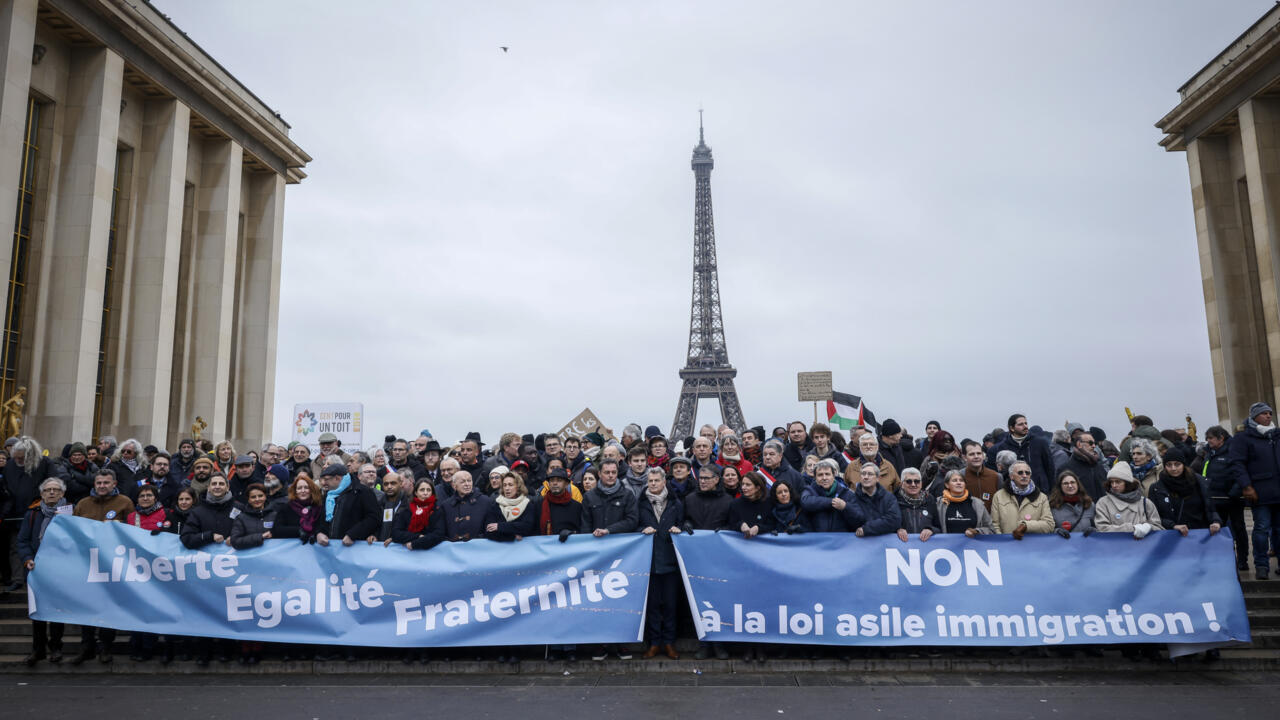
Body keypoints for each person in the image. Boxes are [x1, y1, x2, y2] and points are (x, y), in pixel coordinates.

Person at [71, 469, 134, 664]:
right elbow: (73, 531)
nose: (102, 486)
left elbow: (133, 531)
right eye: (99, 483)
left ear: (114, 484)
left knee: (109, 606)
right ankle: (86, 646)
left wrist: (118, 524)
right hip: (87, 563)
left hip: (112, 563)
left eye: (106, 483)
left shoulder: (125, 502)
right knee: (87, 605)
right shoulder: (83, 504)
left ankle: (105, 646)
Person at [17, 477, 70, 666]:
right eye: (48, 490)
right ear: (41, 494)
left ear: (62, 493)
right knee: (38, 612)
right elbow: (22, 541)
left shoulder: (70, 514)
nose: (52, 492)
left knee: (57, 612)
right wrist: (27, 559)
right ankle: (38, 650)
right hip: (37, 571)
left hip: (60, 571)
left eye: (56, 489)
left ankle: (56, 648)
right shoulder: (32, 514)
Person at [1228, 401, 1280, 579]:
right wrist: (1247, 486)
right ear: (1254, 416)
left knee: (1279, 530)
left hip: (1278, 490)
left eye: (1270, 413)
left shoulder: (1276, 435)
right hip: (1259, 492)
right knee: (1262, 529)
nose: (1268, 416)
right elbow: (1237, 464)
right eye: (1264, 413)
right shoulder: (1243, 438)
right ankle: (1261, 565)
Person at [639, 467, 684, 660]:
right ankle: (654, 643)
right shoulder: (641, 503)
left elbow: (684, 523)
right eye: (650, 481)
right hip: (649, 563)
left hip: (670, 561)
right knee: (653, 606)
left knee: (671, 606)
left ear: (664, 481)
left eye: (656, 480)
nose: (653, 484)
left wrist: (680, 528)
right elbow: (634, 524)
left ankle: (669, 642)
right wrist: (642, 530)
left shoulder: (675, 503)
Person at [1201, 425, 1249, 571]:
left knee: (1238, 529)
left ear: (1221, 438)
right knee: (1218, 531)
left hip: (1232, 499)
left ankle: (1242, 560)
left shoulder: (1234, 450)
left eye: (1211, 438)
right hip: (1214, 498)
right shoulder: (1209, 453)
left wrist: (1233, 493)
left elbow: (1241, 473)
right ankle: (1224, 559)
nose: (1208, 441)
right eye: (1207, 438)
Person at [1148, 447, 1221, 539]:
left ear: (1183, 464)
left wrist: (1216, 521)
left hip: (1200, 534)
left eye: (1177, 464)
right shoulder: (1156, 488)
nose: (1173, 468)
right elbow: (1154, 517)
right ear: (1164, 466)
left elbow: (1211, 508)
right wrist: (1172, 525)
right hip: (1171, 536)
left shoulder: (1199, 482)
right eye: (1169, 465)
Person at [315, 464, 381, 547]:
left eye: (326, 479)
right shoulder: (328, 496)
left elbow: (373, 518)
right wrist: (319, 533)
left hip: (355, 547)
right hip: (331, 548)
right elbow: (321, 519)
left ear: (337, 478)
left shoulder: (362, 492)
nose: (323, 483)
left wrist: (353, 534)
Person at [986, 414, 1056, 492]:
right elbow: (1002, 471)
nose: (1025, 426)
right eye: (1020, 424)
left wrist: (1051, 489)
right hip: (1015, 492)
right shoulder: (1003, 446)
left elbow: (1049, 467)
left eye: (1026, 423)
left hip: (1039, 490)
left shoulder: (1040, 443)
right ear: (1012, 428)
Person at [1094, 463, 1163, 538]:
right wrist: (1132, 528)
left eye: (1118, 482)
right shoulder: (1103, 503)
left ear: (1127, 483)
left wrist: (1148, 527)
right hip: (1114, 544)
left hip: (1143, 544)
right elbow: (1102, 529)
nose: (1114, 485)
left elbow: (1159, 528)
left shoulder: (1145, 503)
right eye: (1111, 482)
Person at [990, 461, 1053, 538]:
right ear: (1011, 476)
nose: (1024, 475)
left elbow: (1049, 525)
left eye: (1027, 473)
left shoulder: (1042, 497)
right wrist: (1003, 541)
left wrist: (1026, 526)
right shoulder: (999, 496)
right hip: (1007, 544)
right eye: (1020, 473)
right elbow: (994, 525)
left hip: (1032, 544)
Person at [801, 459, 859, 532]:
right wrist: (832, 502)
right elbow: (806, 502)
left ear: (834, 475)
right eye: (820, 475)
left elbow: (859, 518)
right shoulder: (809, 490)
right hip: (816, 538)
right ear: (815, 477)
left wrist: (845, 507)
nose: (824, 478)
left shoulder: (846, 493)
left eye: (827, 474)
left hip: (841, 538)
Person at [391, 478, 447, 550]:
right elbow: (396, 533)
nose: (425, 493)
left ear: (432, 493)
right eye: (422, 490)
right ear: (416, 493)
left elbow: (438, 534)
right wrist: (418, 536)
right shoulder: (406, 511)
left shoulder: (437, 511)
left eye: (428, 490)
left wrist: (415, 544)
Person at [936, 470, 994, 536]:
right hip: (947, 542)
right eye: (954, 480)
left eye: (961, 480)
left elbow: (991, 529)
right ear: (947, 485)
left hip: (972, 542)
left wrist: (976, 531)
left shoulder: (977, 504)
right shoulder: (939, 503)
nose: (959, 483)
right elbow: (933, 527)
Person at [850, 462, 901, 537]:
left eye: (870, 474)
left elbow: (894, 520)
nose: (866, 477)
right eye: (863, 474)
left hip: (884, 542)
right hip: (858, 542)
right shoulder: (852, 498)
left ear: (878, 478)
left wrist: (867, 529)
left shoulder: (889, 498)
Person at [271, 472, 323, 544]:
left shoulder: (319, 507)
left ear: (311, 490)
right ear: (295, 491)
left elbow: (322, 527)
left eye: (306, 487)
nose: (303, 491)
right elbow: (277, 530)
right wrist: (299, 530)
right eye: (299, 488)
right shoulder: (286, 508)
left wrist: (316, 533)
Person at [1059, 431, 1108, 501]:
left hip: (1101, 506)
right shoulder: (1066, 469)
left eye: (1095, 443)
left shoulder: (1099, 466)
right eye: (1090, 443)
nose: (1094, 446)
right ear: (1079, 444)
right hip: (1082, 506)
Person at [488, 472, 537, 541]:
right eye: (504, 485)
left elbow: (527, 527)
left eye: (510, 485)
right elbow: (489, 530)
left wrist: (500, 526)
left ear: (518, 487)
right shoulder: (496, 504)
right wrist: (512, 536)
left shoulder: (527, 504)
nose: (507, 488)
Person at [896, 467, 939, 542]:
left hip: (925, 546)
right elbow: (887, 526)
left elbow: (939, 527)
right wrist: (897, 529)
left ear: (921, 484)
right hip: (902, 545)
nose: (913, 484)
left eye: (917, 481)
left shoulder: (930, 500)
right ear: (902, 484)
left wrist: (931, 530)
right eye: (909, 481)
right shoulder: (894, 501)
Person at [685, 464, 733, 531]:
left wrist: (723, 529)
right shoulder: (689, 499)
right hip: (695, 537)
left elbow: (733, 524)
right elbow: (684, 519)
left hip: (717, 537)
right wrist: (686, 524)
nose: (702, 481)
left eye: (706, 478)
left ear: (716, 479)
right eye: (701, 478)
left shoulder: (728, 500)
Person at [1049, 470, 1095, 537]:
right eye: (1065, 483)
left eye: (1072, 482)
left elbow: (1099, 527)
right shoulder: (1053, 506)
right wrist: (1056, 531)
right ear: (1060, 487)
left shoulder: (1089, 504)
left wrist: (1094, 530)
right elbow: (1048, 529)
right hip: (1064, 543)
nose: (1070, 486)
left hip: (1087, 542)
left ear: (1078, 484)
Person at [728, 471, 774, 539]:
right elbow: (730, 524)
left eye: (748, 485)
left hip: (762, 543)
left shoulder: (769, 503)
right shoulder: (735, 503)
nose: (743, 487)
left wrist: (758, 528)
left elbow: (772, 525)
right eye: (743, 484)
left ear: (757, 488)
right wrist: (740, 525)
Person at [229, 483, 274, 550]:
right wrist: (260, 537)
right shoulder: (241, 518)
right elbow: (235, 541)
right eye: (253, 497)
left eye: (260, 496)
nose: (257, 499)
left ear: (265, 497)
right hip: (250, 556)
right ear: (248, 499)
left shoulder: (275, 515)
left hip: (273, 555)